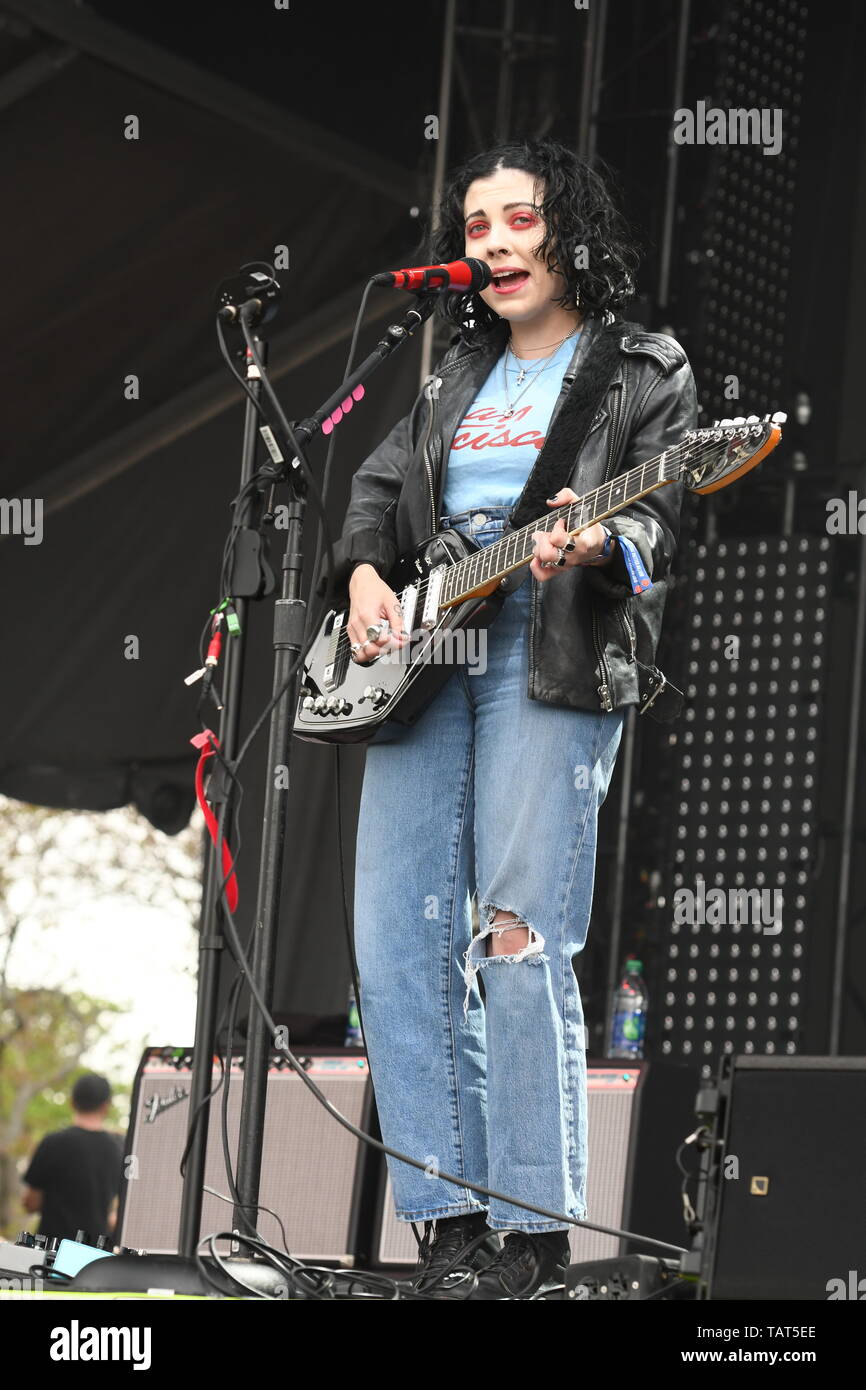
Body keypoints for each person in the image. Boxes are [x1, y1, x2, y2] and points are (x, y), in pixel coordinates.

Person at [332, 137, 697, 1298]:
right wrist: (360, 579)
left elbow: (663, 518)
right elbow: (379, 490)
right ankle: (447, 1227)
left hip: (548, 650)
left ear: (567, 230)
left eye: (516, 220)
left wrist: (599, 543)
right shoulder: (451, 371)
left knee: (518, 934)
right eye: (475, 226)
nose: (490, 243)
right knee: (394, 940)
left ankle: (531, 1228)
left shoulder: (639, 365)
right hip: (428, 657)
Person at [21, 1072, 124, 1245]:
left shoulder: (53, 1142)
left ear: (72, 1102)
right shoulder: (119, 1148)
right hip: (94, 1257)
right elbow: (116, 1213)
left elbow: (31, 1203)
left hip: (52, 1252)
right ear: (106, 1106)